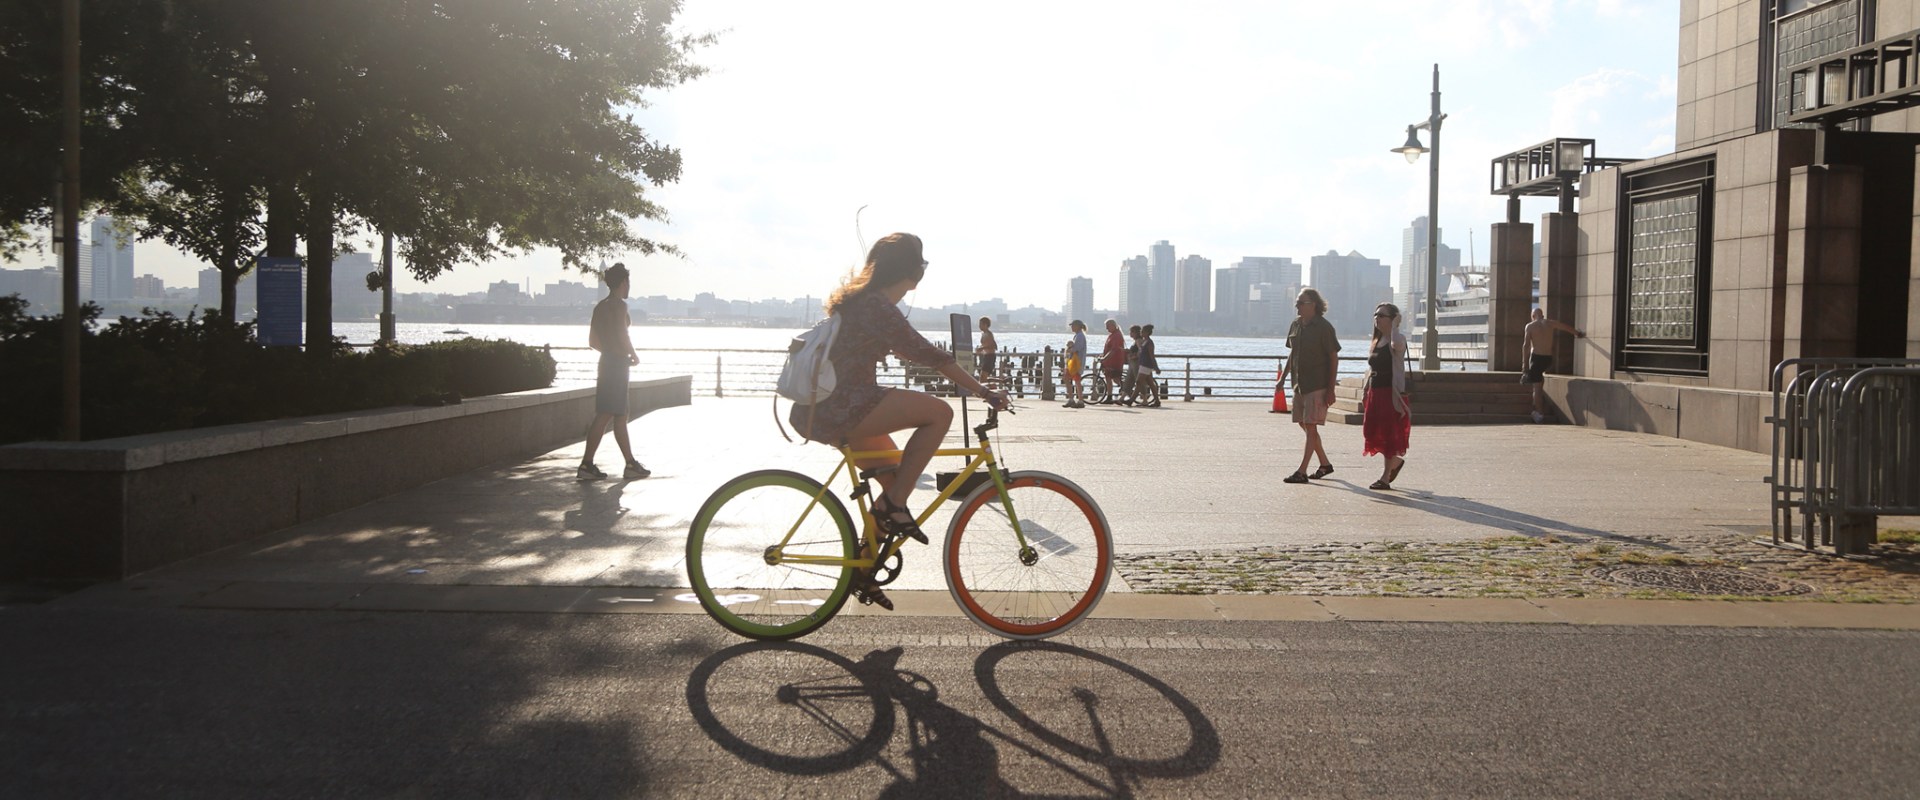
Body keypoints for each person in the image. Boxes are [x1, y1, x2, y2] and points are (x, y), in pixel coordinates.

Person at [789, 233, 1008, 609]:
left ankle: (863, 569)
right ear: (911, 271)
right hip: (842, 407)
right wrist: (983, 392)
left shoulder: (862, 302)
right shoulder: (875, 307)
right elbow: (927, 353)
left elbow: (918, 353)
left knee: (894, 482)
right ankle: (893, 507)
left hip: (832, 407)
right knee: (939, 414)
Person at [579, 263, 650, 481]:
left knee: (620, 414)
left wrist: (611, 353)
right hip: (617, 366)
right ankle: (586, 464)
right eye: (628, 282)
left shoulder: (600, 307)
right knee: (606, 414)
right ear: (622, 283)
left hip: (607, 363)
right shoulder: (619, 306)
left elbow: (593, 341)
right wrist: (631, 354)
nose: (629, 287)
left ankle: (629, 464)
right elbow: (622, 334)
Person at [1282, 288, 1340, 484]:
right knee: (1304, 423)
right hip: (1299, 384)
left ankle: (1302, 471)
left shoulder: (1324, 327)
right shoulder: (1295, 325)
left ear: (1313, 305)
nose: (1297, 306)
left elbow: (1333, 357)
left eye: (1301, 302)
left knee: (1311, 426)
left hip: (1317, 385)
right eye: (1297, 302)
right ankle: (1324, 463)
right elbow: (1293, 353)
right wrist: (1282, 379)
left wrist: (1331, 389)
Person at [1362, 303, 1410, 490]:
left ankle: (1385, 477)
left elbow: (1395, 344)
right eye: (1375, 315)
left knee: (1389, 434)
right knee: (1373, 432)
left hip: (1390, 393)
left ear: (1393, 319)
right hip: (1375, 392)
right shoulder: (1376, 340)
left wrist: (1396, 326)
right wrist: (1366, 389)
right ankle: (1395, 463)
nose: (1377, 318)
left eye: (1382, 315)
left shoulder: (1397, 339)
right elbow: (1371, 368)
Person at [1521, 307, 1585, 423]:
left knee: (1537, 388)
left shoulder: (1530, 326)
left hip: (1536, 359)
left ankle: (1539, 414)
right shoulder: (1550, 323)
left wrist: (1524, 366)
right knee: (1539, 382)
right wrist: (1578, 333)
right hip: (1548, 358)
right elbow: (1566, 327)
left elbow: (1526, 346)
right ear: (1543, 315)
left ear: (1533, 316)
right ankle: (1538, 410)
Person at [1062, 319, 1089, 408]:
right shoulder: (1078, 335)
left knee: (1075, 380)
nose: (1071, 327)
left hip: (1076, 362)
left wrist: (1069, 348)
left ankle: (1078, 400)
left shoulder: (1080, 336)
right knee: (1070, 378)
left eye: (1073, 325)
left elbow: (1077, 348)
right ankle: (1073, 399)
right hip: (1074, 362)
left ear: (1077, 326)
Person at [1097, 319, 1126, 405]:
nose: (1107, 329)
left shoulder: (1117, 336)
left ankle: (1125, 390)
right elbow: (1109, 348)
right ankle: (1110, 396)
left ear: (1113, 326)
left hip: (1114, 361)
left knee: (1114, 379)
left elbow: (1114, 350)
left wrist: (1105, 358)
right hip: (1110, 361)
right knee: (1110, 379)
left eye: (1107, 327)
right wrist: (1103, 355)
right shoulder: (1112, 335)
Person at [1134, 323, 1161, 407]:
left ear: (1147, 332)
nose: (1141, 332)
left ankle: (1131, 400)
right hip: (1143, 364)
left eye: (1142, 331)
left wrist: (1156, 367)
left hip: (1146, 365)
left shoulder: (1149, 343)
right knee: (1151, 383)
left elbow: (1152, 356)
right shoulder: (1144, 342)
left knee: (1139, 382)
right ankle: (1157, 401)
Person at [1120, 324, 1143, 405]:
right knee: (1129, 380)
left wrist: (1134, 356)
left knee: (1138, 380)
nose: (1130, 333)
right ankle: (1122, 398)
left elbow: (1141, 350)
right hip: (1132, 364)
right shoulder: (1135, 341)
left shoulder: (1138, 340)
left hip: (1136, 363)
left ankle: (1144, 398)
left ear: (1136, 332)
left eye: (1131, 332)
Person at [975, 316, 998, 381]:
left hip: (990, 357)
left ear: (985, 325)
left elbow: (993, 346)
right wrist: (980, 348)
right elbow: (986, 344)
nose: (979, 326)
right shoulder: (984, 334)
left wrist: (981, 348)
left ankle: (993, 387)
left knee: (982, 378)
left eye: (980, 324)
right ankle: (996, 384)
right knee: (983, 378)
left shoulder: (989, 334)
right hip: (986, 356)